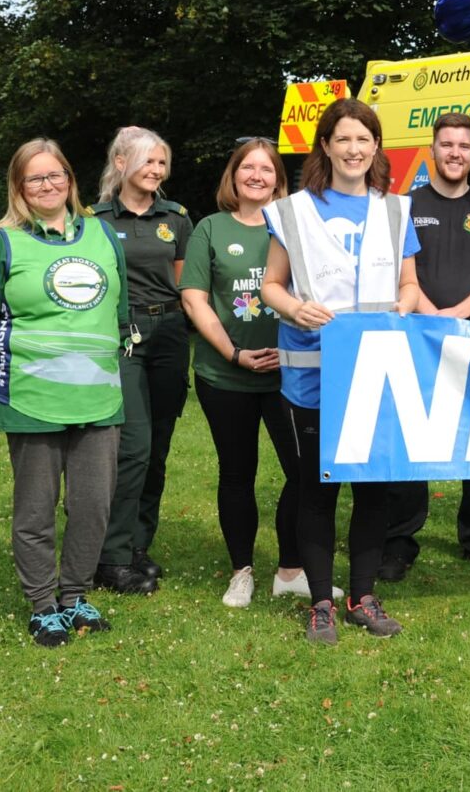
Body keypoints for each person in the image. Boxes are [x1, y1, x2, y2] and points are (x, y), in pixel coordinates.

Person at [261, 98, 421, 644]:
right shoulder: (294, 211)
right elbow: (271, 285)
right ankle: (321, 602)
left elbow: (410, 285)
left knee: (374, 492)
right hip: (311, 378)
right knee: (317, 492)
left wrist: (406, 302)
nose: (354, 149)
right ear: (325, 145)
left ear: (377, 147)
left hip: (376, 373)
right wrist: (292, 308)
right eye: (344, 139)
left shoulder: (396, 211)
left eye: (364, 139)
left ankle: (363, 596)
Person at [0, 139, 128, 646]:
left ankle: (74, 595)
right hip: (33, 402)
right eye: (35, 178)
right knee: (35, 510)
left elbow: (118, 316)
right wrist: (32, 369)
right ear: (19, 187)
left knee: (94, 506)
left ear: (70, 180)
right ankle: (42, 604)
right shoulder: (1, 243)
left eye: (56, 175)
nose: (48, 185)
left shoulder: (102, 234)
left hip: (101, 400)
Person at [180, 138, 340, 608]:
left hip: (291, 374)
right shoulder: (210, 228)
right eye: (247, 168)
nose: (256, 176)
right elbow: (195, 298)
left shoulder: (297, 225)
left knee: (302, 472)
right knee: (237, 473)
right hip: (225, 375)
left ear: (279, 178)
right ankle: (241, 571)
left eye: (266, 169)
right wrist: (233, 353)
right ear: (233, 176)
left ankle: (291, 569)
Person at [377, 112, 470, 581]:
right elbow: (402, 274)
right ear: (433, 150)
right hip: (417, 336)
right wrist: (430, 316)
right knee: (413, 437)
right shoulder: (404, 207)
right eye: (447, 144)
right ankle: (399, 542)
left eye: (464, 145)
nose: (455, 153)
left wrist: (454, 317)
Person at [89, 126, 192, 595]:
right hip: (122, 335)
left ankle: (136, 547)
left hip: (169, 333)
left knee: (159, 449)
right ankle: (109, 556)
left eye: (161, 163)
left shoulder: (177, 218)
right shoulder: (95, 220)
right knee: (133, 447)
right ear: (120, 164)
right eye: (147, 161)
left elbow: (183, 284)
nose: (155, 170)